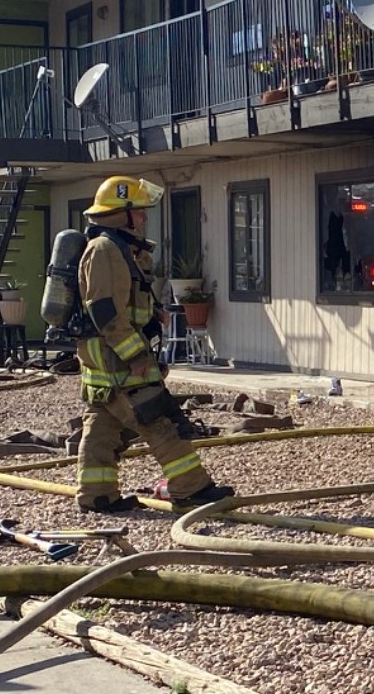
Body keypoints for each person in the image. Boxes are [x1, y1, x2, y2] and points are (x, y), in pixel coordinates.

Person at [73, 176, 232, 514]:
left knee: (102, 428)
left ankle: (97, 496)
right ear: (122, 215)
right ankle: (190, 488)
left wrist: (152, 313)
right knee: (158, 421)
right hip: (119, 360)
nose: (144, 219)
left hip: (105, 362)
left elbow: (122, 303)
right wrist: (136, 355)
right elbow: (103, 310)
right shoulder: (105, 250)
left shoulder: (117, 248)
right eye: (140, 213)